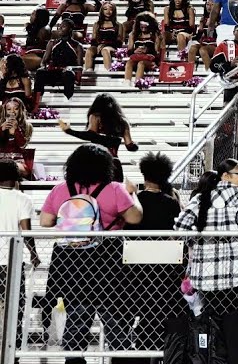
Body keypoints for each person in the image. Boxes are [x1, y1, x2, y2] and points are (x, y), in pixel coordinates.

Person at [39, 144, 144, 364]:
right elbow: (135, 218)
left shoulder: (61, 189)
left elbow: (46, 221)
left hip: (72, 261)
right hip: (108, 260)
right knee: (115, 314)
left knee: (77, 313)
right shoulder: (115, 188)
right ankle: (122, 355)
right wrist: (133, 194)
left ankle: (74, 357)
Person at [173, 160, 238, 362]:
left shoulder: (200, 198)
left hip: (205, 278)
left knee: (213, 328)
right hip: (235, 276)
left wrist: (199, 238)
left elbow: (180, 228)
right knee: (236, 327)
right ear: (225, 175)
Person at [126, 152, 185, 353]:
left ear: (144, 174)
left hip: (136, 264)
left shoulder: (136, 201)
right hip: (164, 265)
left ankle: (140, 344)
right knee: (160, 307)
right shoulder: (171, 203)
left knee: (140, 306)